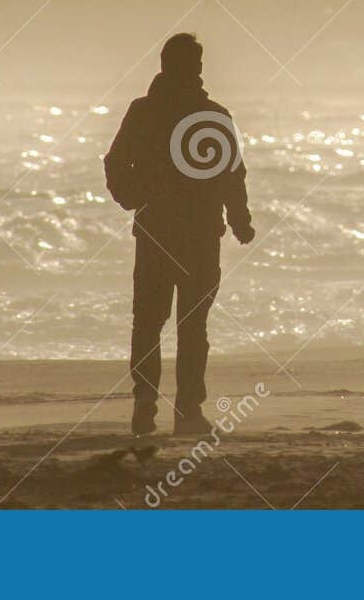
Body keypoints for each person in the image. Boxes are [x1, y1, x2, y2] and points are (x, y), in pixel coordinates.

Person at [104, 33, 254, 436]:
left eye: (199, 63)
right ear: (181, 66)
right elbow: (232, 176)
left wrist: (135, 199)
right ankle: (177, 411)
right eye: (195, 63)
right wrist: (239, 220)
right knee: (182, 327)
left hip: (168, 234)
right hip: (189, 237)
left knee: (155, 324)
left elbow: (116, 164)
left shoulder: (153, 113)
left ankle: (157, 408)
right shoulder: (205, 115)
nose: (200, 70)